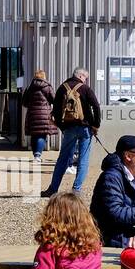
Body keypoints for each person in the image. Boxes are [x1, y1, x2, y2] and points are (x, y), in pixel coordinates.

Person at [41, 68, 102, 197]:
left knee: (63, 158)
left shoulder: (62, 87)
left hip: (69, 128)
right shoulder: (85, 89)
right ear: (80, 76)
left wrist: (62, 127)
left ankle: (52, 189)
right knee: (83, 159)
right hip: (85, 128)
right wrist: (95, 125)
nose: (86, 80)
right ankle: (76, 190)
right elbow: (96, 106)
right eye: (85, 77)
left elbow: (56, 110)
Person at [90, 134, 135, 248]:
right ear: (128, 156)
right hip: (110, 241)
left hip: (127, 237)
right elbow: (116, 213)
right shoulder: (111, 177)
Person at [22, 69, 56, 162]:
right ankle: (38, 155)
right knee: (42, 134)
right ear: (44, 77)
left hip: (32, 114)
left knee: (34, 134)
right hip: (45, 114)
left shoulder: (30, 87)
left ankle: (35, 155)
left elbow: (24, 102)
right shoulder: (47, 87)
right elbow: (54, 100)